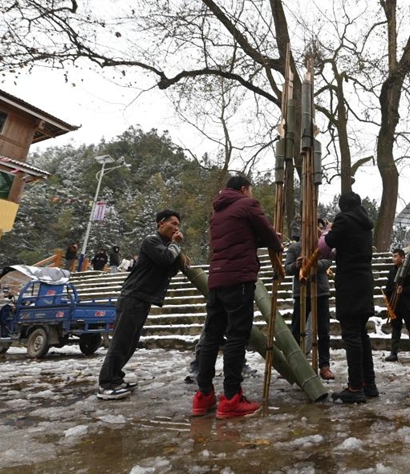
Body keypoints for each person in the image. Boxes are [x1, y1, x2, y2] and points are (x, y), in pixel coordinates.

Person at [191, 175, 282, 419]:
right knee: (236, 336)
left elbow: (243, 237)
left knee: (211, 337)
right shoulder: (247, 205)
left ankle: (203, 395)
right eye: (250, 190)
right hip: (239, 279)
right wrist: (277, 243)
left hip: (216, 279)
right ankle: (231, 397)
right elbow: (268, 234)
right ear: (244, 189)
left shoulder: (217, 213)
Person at [97, 209, 183, 400]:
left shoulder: (166, 245)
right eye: (173, 223)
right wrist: (176, 247)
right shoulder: (151, 241)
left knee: (130, 341)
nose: (176, 228)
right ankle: (106, 384)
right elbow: (166, 258)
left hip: (144, 298)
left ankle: (116, 377)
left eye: (178, 225)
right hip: (133, 296)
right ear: (161, 223)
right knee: (121, 340)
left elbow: (169, 269)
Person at [319, 192, 377, 403]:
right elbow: (348, 247)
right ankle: (368, 384)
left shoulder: (344, 219)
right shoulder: (364, 223)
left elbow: (326, 245)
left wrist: (326, 231)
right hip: (364, 279)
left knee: (351, 334)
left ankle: (355, 387)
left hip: (350, 281)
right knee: (361, 334)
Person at [285, 218, 335, 380]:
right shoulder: (294, 248)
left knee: (324, 330)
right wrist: (297, 266)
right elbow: (287, 268)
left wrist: (314, 264)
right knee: (296, 329)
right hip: (301, 292)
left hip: (320, 291)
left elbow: (328, 261)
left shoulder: (322, 246)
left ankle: (324, 365)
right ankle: (295, 364)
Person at [384, 248, 410, 363]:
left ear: (402, 257)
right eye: (393, 256)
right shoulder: (392, 271)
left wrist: (404, 290)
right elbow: (389, 287)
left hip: (408, 303)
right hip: (395, 304)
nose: (393, 259)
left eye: (396, 256)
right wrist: (389, 299)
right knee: (396, 327)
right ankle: (393, 353)